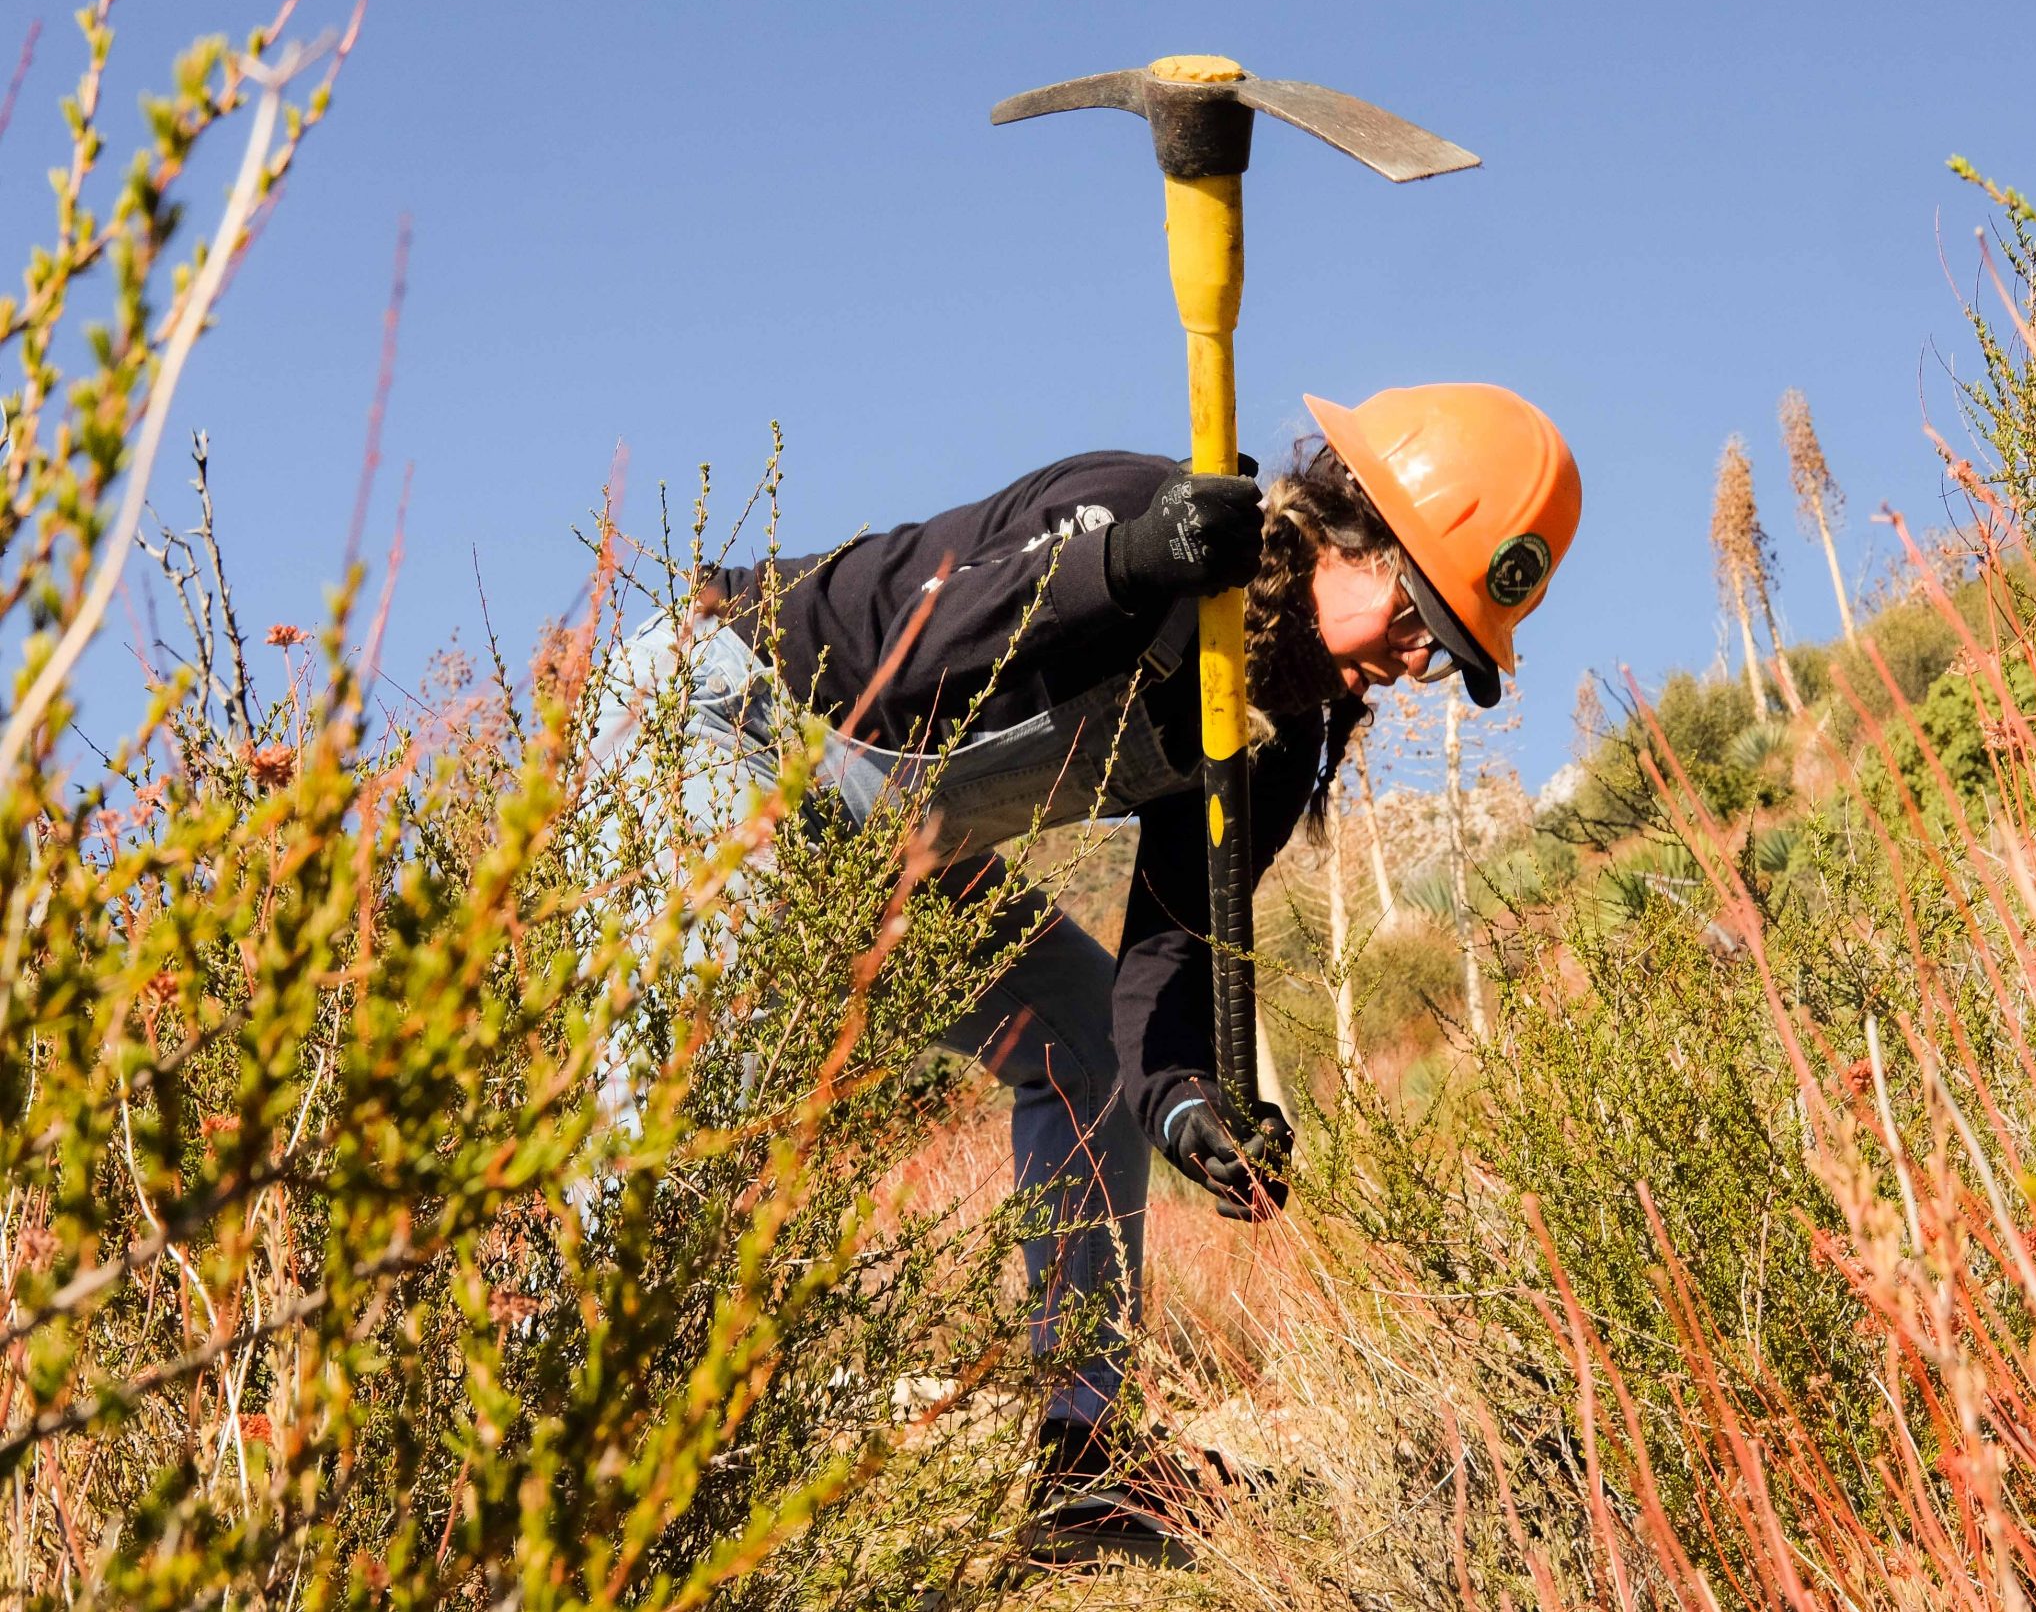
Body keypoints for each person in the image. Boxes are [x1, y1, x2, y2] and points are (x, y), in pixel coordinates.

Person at [595, 382, 1579, 1562]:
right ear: (1353, 533)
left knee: (1079, 1044)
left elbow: (1174, 938)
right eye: (1420, 621)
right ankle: (568, 1450)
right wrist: (1121, 567)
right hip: (725, 719)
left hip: (891, 844)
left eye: (1445, 655)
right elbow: (918, 656)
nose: (1410, 665)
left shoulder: (1278, 734)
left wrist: (1185, 1102)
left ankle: (1086, 1459)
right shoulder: (1129, 511)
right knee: (691, 1084)